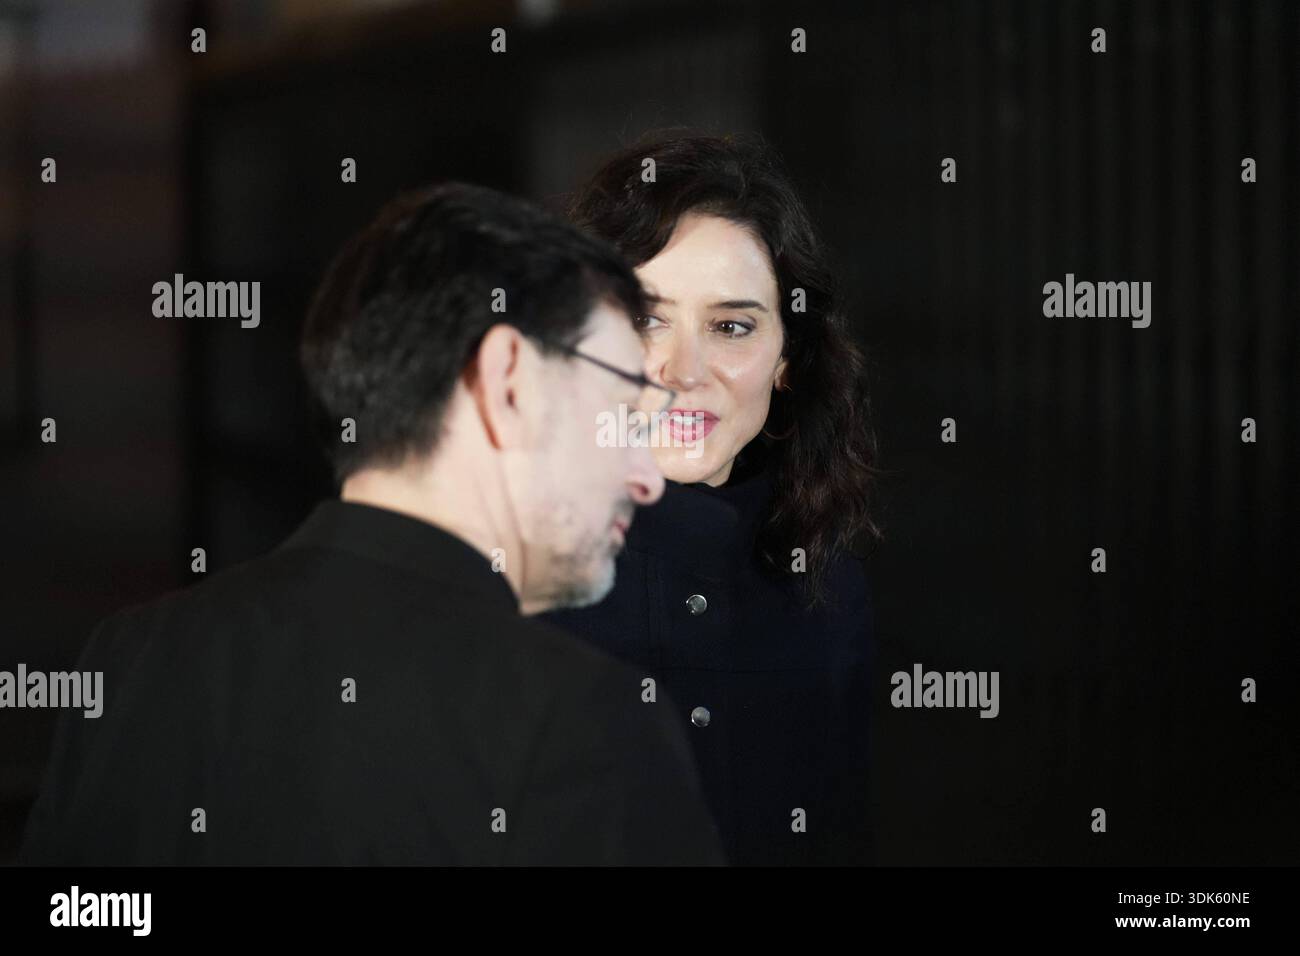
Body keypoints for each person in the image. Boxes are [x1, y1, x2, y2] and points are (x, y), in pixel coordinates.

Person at [19, 181, 724, 866]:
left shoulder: (137, 655)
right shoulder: (586, 721)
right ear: (510, 380)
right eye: (626, 407)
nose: (648, 476)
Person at [544, 132, 885, 865]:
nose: (682, 371)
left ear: (788, 357)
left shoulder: (830, 586)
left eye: (730, 326)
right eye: (644, 319)